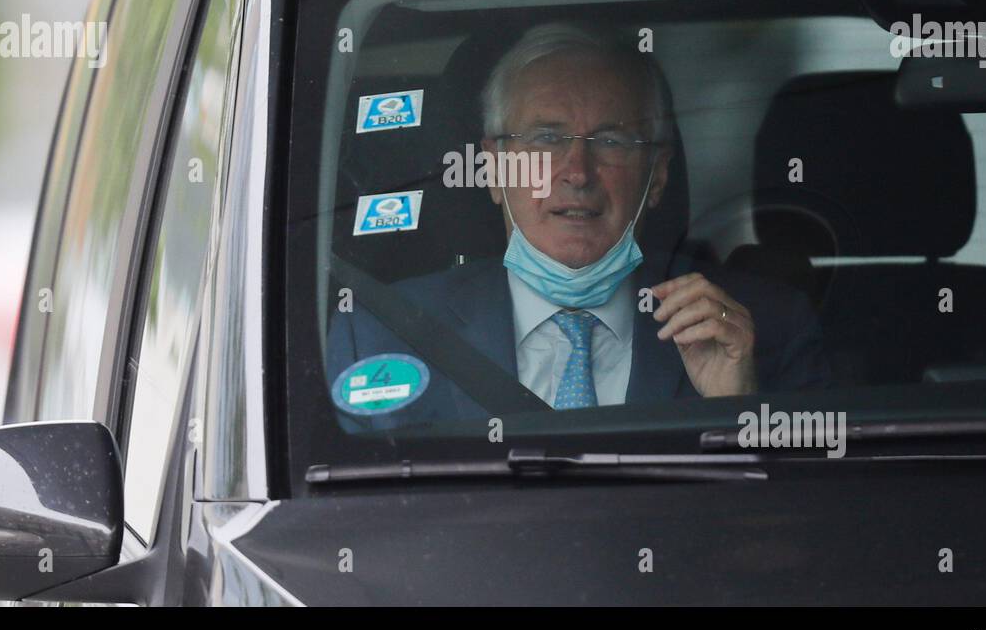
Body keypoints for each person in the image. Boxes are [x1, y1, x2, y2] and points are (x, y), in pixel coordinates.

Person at [328, 23, 828, 426]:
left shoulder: (766, 329)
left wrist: (735, 410)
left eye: (611, 141)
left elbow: (802, 525)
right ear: (495, 170)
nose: (576, 172)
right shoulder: (381, 334)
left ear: (657, 177)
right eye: (546, 139)